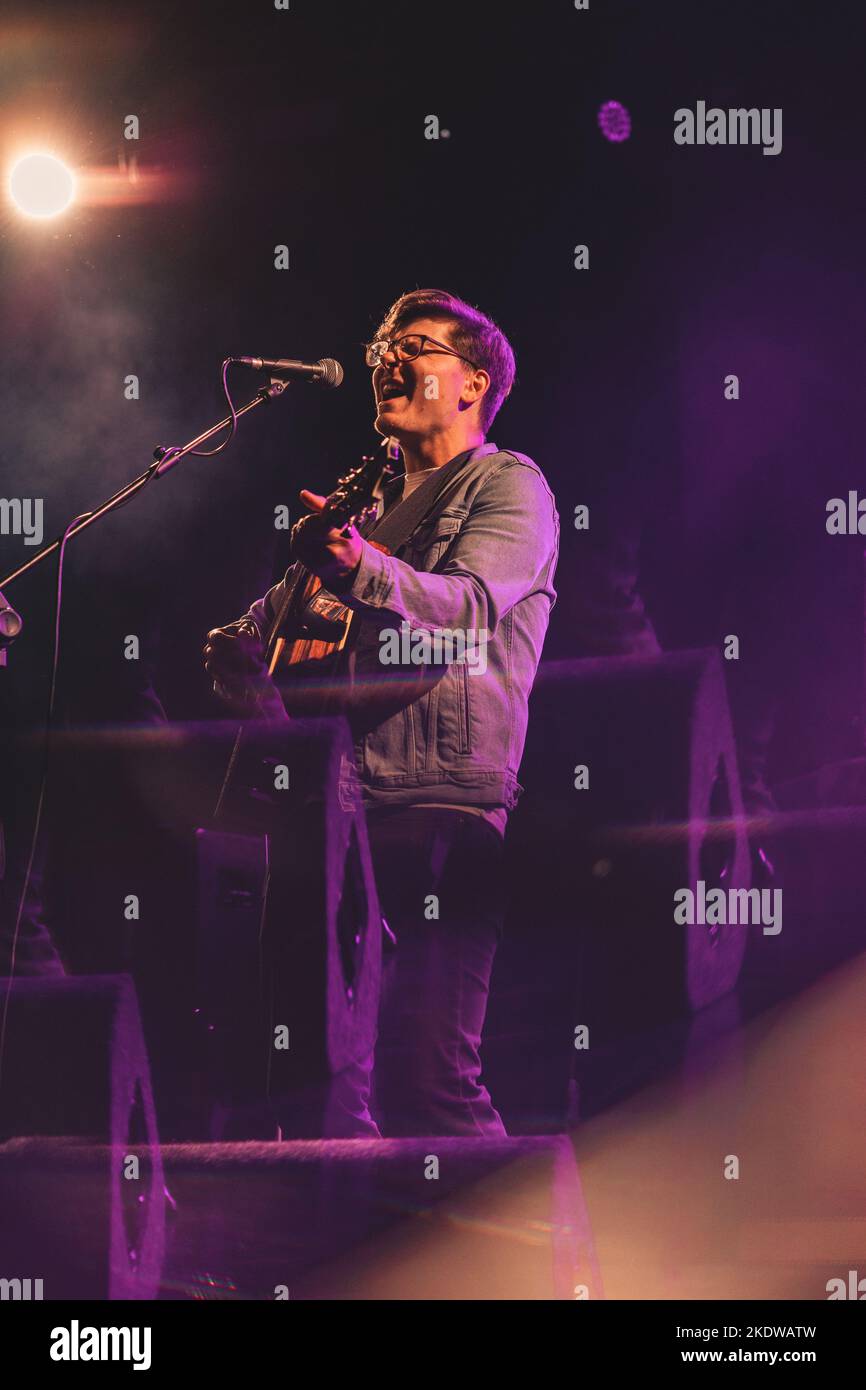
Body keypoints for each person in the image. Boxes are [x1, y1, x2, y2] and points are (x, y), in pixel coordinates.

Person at [204, 288, 559, 1136]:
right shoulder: (358, 509)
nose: (387, 359)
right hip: (335, 820)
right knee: (330, 1092)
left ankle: (525, 1258)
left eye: (416, 345)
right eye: (381, 346)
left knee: (431, 1081)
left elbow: (469, 608)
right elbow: (274, 630)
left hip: (438, 811)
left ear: (473, 383)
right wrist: (237, 649)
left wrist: (358, 565)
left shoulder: (509, 486)